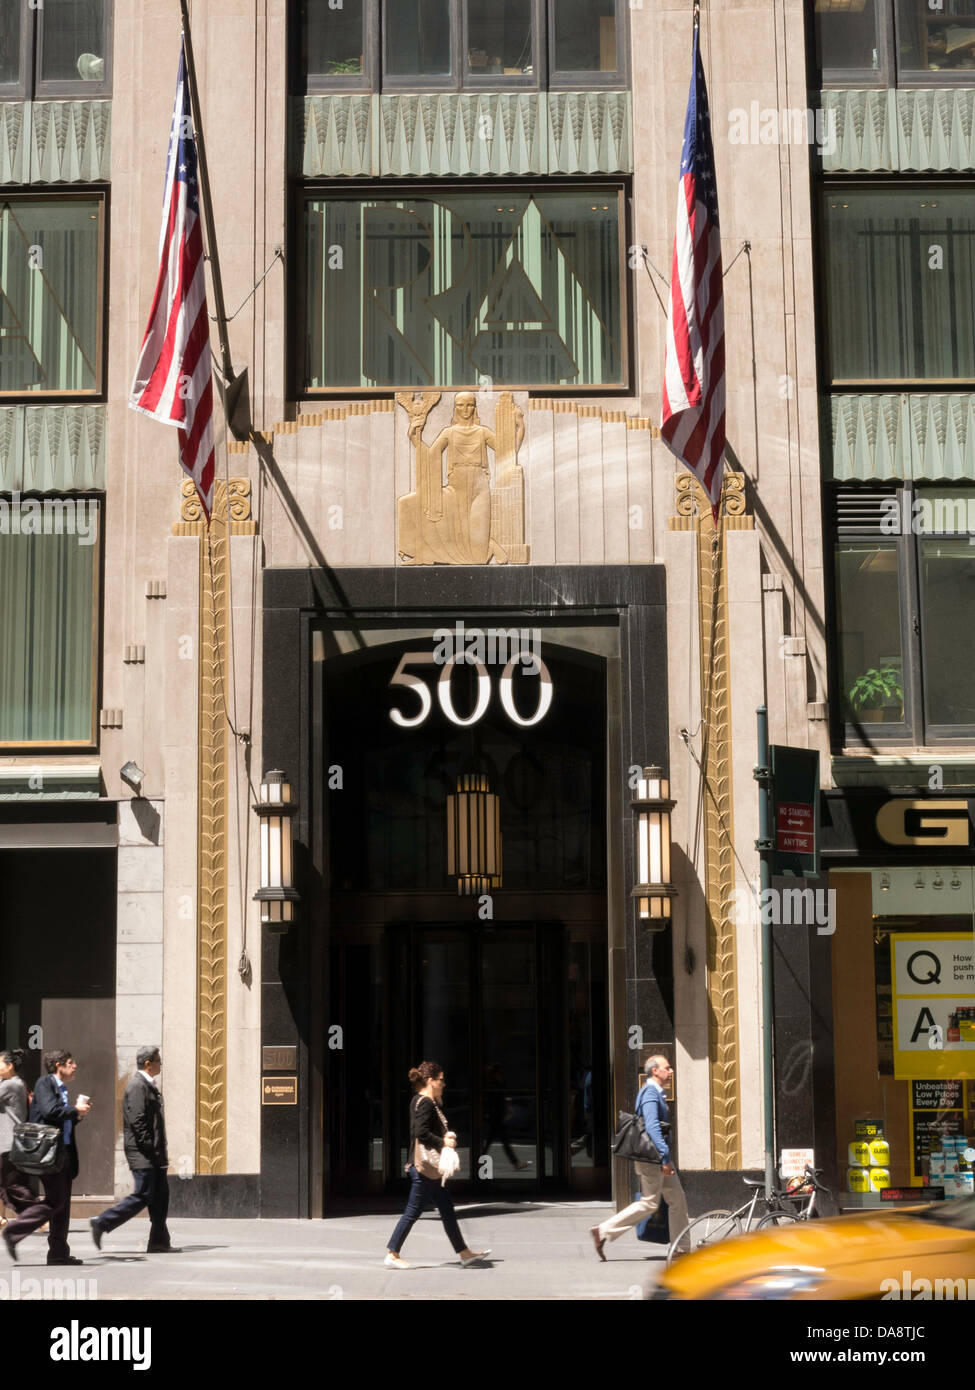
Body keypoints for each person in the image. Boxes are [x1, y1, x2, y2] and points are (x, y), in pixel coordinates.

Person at [385, 1061, 490, 1269]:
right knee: (413, 1211)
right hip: (423, 1169)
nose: (444, 1083)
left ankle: (464, 1253)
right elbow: (421, 1132)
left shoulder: (427, 1101)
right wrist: (444, 1141)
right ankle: (392, 1253)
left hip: (431, 1170)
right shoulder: (424, 1102)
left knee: (447, 1210)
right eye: (441, 1080)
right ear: (431, 1081)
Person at [590, 1054, 689, 1259]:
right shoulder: (651, 1093)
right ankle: (603, 1230)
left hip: (655, 1159)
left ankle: (681, 1249)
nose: (671, 1071)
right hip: (652, 1160)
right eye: (667, 1068)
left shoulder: (654, 1092)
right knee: (649, 1203)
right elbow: (652, 1127)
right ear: (655, 1071)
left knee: (677, 1199)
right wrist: (664, 1158)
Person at [2, 1049, 91, 1265]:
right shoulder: (45, 1083)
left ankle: (58, 1253)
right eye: (70, 1063)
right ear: (58, 1065)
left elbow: (57, 1118)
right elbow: (51, 1111)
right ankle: (15, 1230)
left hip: (63, 1153)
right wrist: (73, 1110)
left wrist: (77, 1115)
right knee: (56, 1202)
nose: (75, 1066)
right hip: (49, 1154)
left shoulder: (60, 1088)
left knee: (62, 1206)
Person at [90, 1046, 173, 1254]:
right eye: (158, 1060)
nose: (160, 1064)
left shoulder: (148, 1085)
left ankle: (159, 1242)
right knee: (143, 1195)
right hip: (143, 1154)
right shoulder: (137, 1087)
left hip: (154, 1154)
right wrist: (152, 1150)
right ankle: (102, 1222)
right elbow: (138, 1123)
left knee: (161, 1196)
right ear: (148, 1063)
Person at [0, 1049, 32, 1222]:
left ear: (9, 1066)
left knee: (13, 1185)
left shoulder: (10, 1084)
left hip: (8, 1143)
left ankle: (37, 1214)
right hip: (7, 1142)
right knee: (6, 1183)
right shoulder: (15, 1082)